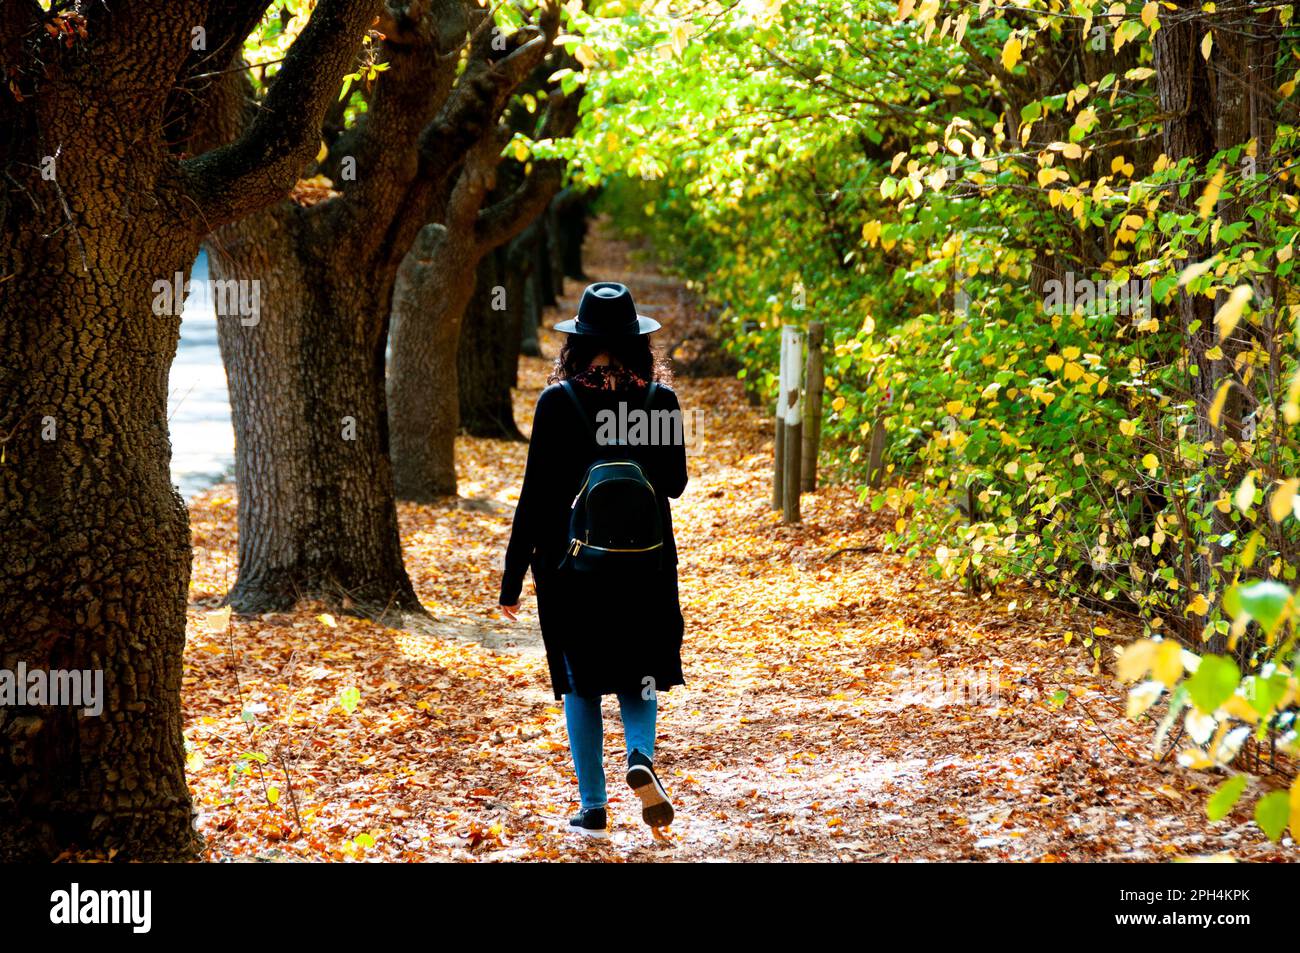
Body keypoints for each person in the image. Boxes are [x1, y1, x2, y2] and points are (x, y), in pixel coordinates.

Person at [498, 281, 688, 839]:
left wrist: (512, 581)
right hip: (646, 565)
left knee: (580, 682)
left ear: (576, 344)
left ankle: (594, 806)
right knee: (642, 672)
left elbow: (535, 498)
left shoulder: (558, 403)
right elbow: (674, 485)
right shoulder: (658, 401)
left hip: (571, 567)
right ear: (637, 343)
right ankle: (640, 755)